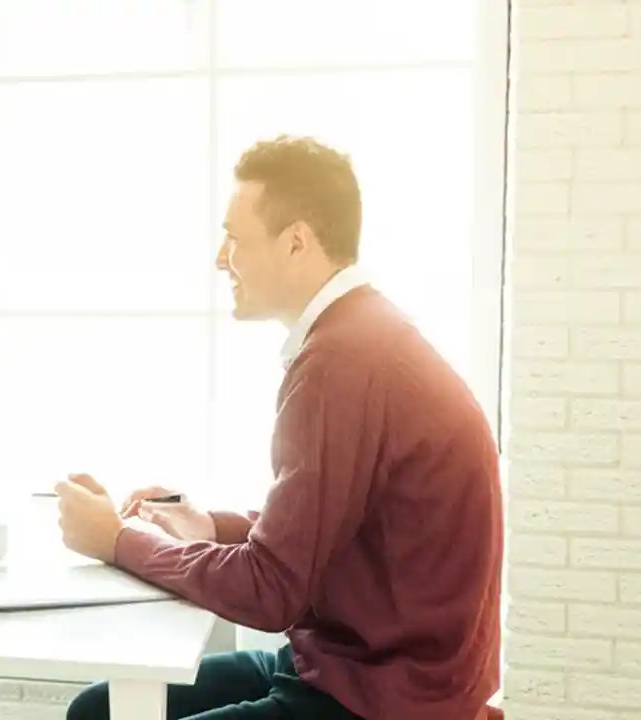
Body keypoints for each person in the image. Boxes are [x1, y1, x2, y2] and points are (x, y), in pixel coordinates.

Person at [54, 136, 502, 720]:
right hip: (349, 668)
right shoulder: (363, 334)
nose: (220, 257)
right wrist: (211, 526)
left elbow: (270, 590)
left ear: (296, 242)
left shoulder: (342, 362)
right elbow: (334, 526)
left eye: (235, 237)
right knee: (98, 711)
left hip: (378, 701)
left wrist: (115, 541)